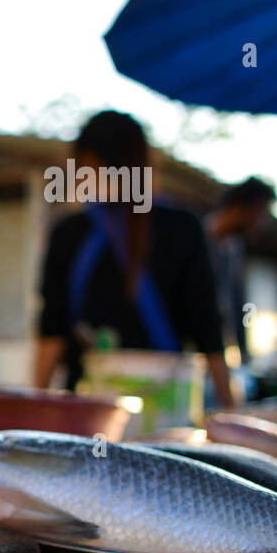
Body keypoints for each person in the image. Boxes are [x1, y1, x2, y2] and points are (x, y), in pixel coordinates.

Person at [33, 110, 236, 406]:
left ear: (86, 161)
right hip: (167, 407)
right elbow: (208, 327)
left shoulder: (70, 232)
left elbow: (52, 330)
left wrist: (35, 406)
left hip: (89, 414)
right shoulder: (184, 227)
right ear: (144, 161)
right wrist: (231, 408)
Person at [205, 176, 277, 365]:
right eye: (261, 213)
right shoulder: (197, 238)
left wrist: (243, 354)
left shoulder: (233, 248)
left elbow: (237, 305)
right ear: (239, 206)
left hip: (217, 355)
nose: (262, 223)